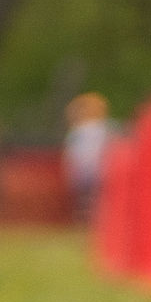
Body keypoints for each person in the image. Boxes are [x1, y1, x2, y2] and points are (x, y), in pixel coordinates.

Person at [62, 91, 113, 223]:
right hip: (100, 171)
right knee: (95, 201)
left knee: (87, 201)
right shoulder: (106, 129)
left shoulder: (79, 133)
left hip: (88, 172)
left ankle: (87, 220)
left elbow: (73, 157)